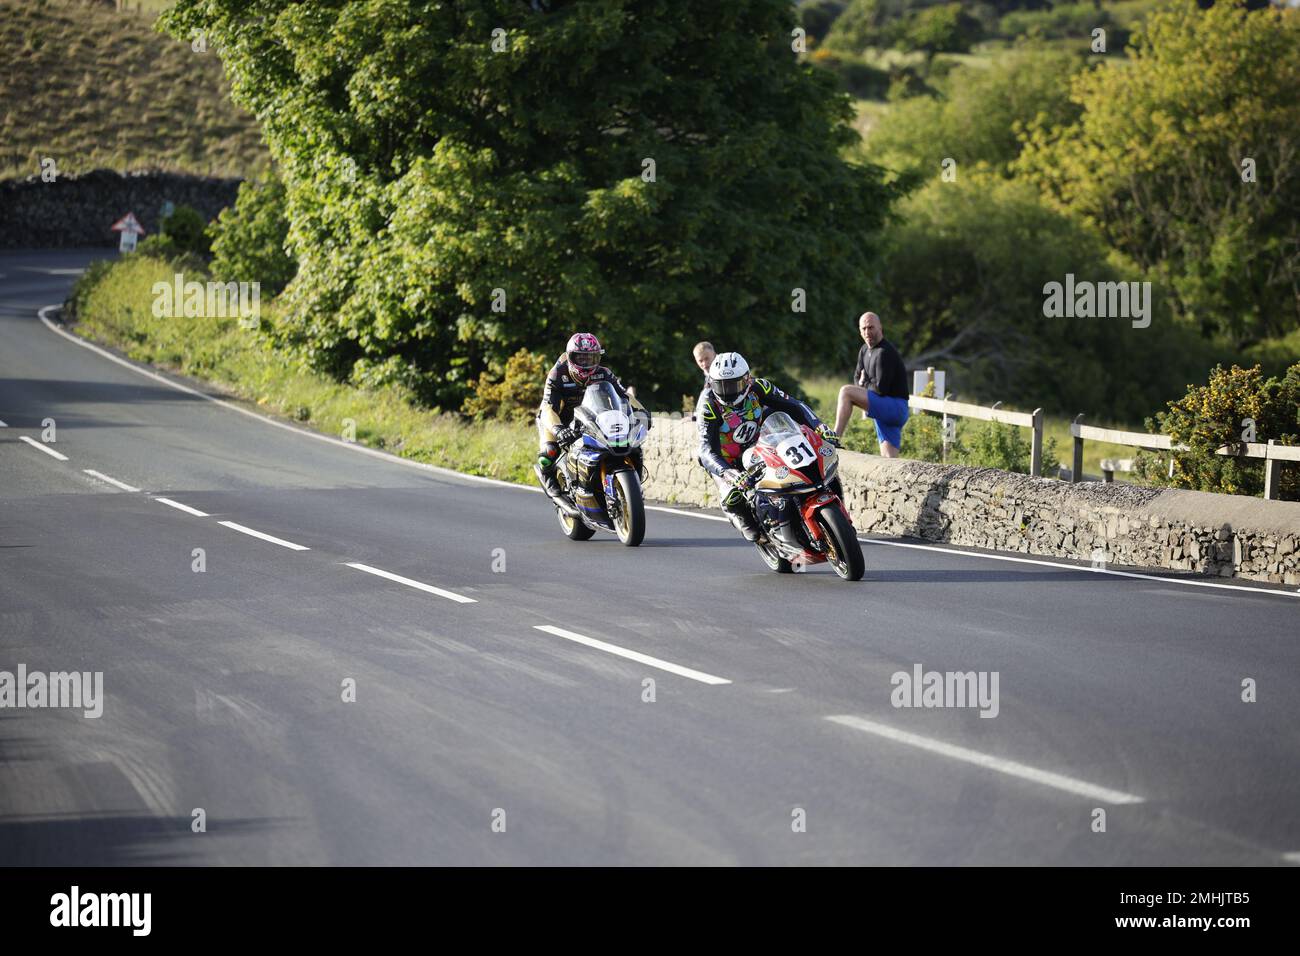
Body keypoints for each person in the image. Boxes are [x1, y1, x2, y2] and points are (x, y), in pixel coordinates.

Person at [696, 352, 837, 541]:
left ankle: (829, 508)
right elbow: (706, 451)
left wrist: (819, 426)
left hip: (762, 443)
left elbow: (794, 405)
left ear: (746, 379)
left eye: (733, 385)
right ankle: (742, 517)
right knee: (735, 500)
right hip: (727, 460)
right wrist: (729, 473)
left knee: (812, 462)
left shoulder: (759, 386)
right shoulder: (708, 404)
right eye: (720, 385)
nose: (727, 391)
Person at [536, 332, 645, 499]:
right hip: (559, 418)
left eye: (591, 358)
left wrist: (643, 413)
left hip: (592, 418)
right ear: (571, 357)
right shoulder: (557, 374)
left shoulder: (604, 373)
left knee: (631, 446)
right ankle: (547, 476)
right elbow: (548, 408)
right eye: (581, 358)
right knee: (549, 452)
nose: (586, 363)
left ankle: (633, 485)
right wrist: (558, 430)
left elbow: (624, 396)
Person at [833, 311, 910, 458]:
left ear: (880, 328)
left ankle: (834, 440)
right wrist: (863, 384)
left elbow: (880, 388)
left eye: (871, 327)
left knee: (846, 392)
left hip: (895, 407)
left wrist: (863, 383)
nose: (867, 332)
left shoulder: (884, 352)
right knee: (888, 460)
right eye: (863, 328)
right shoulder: (864, 350)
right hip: (883, 410)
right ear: (860, 331)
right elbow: (857, 377)